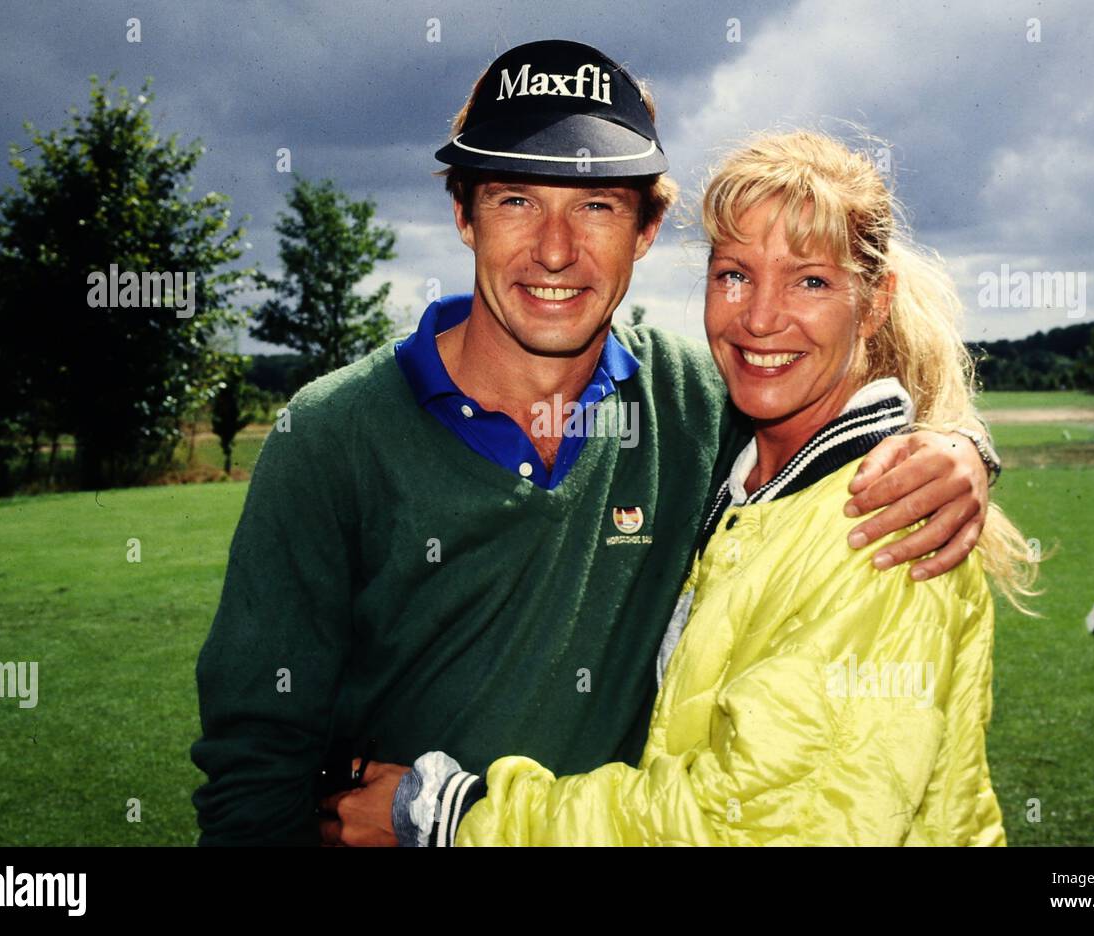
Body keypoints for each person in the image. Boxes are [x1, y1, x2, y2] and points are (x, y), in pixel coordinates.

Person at [190, 40, 1000, 847]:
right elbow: (256, 762)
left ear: (646, 230)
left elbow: (826, 411)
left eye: (596, 205)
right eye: (515, 200)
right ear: (462, 212)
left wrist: (956, 445)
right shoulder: (330, 435)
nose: (553, 249)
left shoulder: (698, 401)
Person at [376, 129, 1039, 846]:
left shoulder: (885, 520)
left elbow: (756, 827)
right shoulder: (750, 468)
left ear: (875, 304)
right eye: (733, 275)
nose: (759, 318)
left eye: (809, 281)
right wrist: (963, 440)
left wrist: (454, 815)